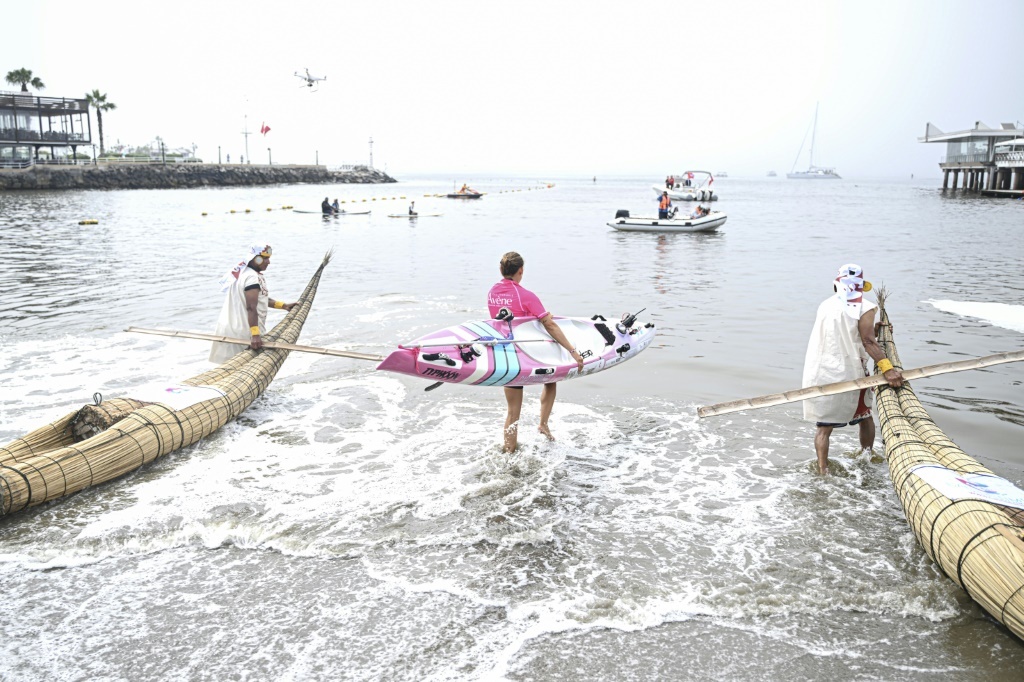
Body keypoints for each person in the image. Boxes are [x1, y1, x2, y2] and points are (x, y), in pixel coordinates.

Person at [802, 264, 904, 475]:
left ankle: (823, 470)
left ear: (837, 285)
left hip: (822, 371)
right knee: (865, 418)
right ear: (860, 287)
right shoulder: (865, 307)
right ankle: (867, 457)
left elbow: (844, 334)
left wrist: (874, 329)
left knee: (824, 428)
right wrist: (888, 369)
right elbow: (868, 342)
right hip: (851, 372)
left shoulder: (826, 305)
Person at [487, 251, 584, 452]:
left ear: (501, 269)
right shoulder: (526, 295)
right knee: (551, 377)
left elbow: (508, 318)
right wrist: (573, 351)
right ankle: (543, 424)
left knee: (513, 412)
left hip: (507, 355)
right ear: (521, 270)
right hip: (528, 353)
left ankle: (509, 452)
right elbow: (549, 325)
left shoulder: (492, 292)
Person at [209, 244, 296, 364]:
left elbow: (261, 298)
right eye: (265, 258)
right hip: (243, 333)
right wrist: (255, 335)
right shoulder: (251, 277)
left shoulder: (242, 273)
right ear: (256, 258)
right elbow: (251, 307)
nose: (268, 262)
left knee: (230, 368)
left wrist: (283, 306)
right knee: (242, 368)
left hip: (229, 329)